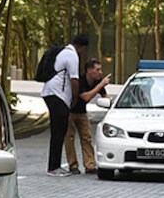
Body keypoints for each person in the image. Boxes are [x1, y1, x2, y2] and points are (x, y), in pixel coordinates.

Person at [40, 33, 88, 177]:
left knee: (58, 130)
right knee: (59, 130)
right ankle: (53, 167)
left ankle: (54, 166)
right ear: (82, 47)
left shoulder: (63, 52)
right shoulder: (72, 55)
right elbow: (74, 80)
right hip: (58, 94)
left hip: (50, 92)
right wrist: (74, 99)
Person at [64, 59, 111, 174]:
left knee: (87, 138)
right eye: (97, 69)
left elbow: (106, 96)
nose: (100, 72)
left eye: (101, 69)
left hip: (82, 112)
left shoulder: (97, 81)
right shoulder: (81, 81)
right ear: (89, 71)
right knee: (69, 138)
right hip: (70, 111)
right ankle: (73, 165)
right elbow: (86, 97)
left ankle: (90, 165)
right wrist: (101, 84)